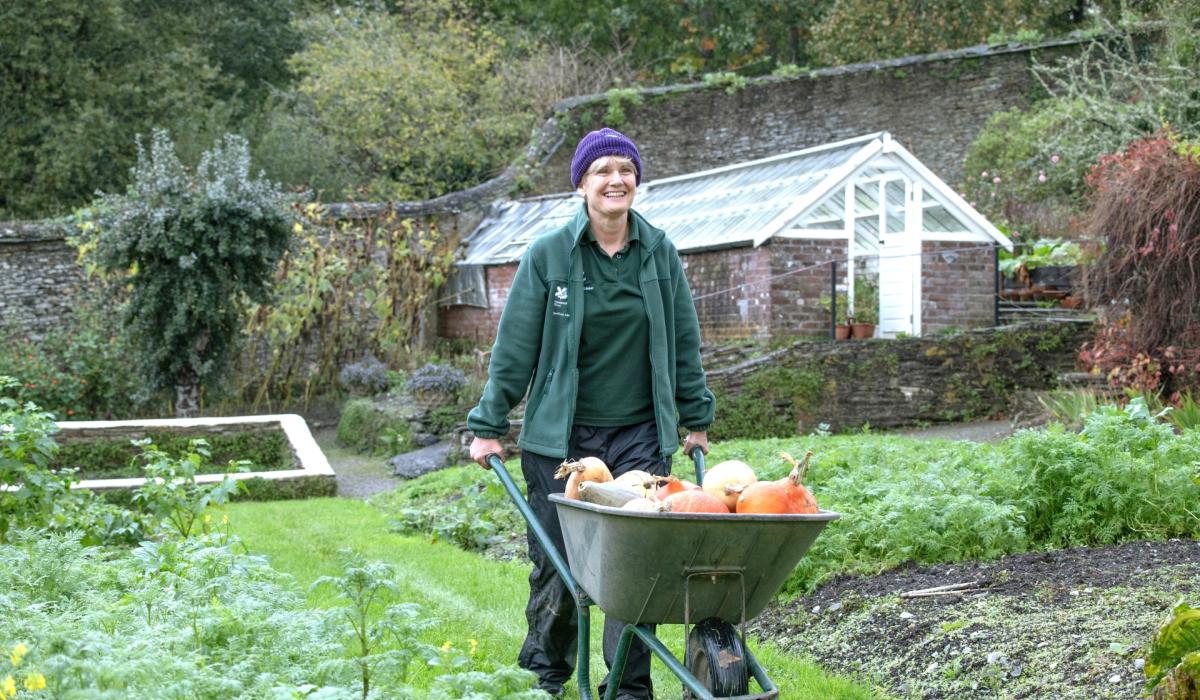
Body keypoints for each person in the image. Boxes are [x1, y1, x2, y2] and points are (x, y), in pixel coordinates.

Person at [466, 127, 716, 699]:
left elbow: (684, 343)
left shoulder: (659, 253)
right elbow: (515, 347)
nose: (615, 180)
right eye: (602, 170)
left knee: (636, 569)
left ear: (636, 182)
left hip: (638, 439)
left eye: (625, 170)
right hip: (562, 442)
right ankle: (546, 678)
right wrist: (488, 425)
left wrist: (695, 418)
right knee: (559, 565)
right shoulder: (549, 254)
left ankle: (627, 688)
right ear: (581, 183)